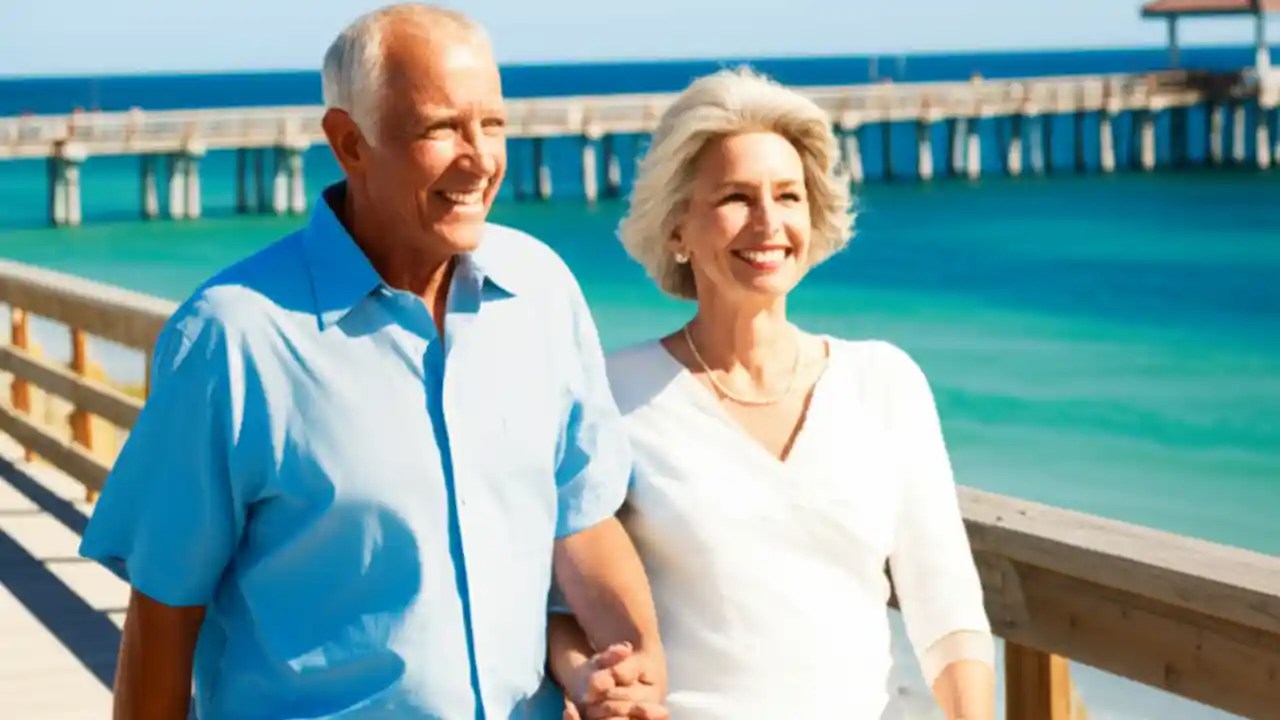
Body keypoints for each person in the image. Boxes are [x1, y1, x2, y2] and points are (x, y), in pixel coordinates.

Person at [78, 4, 666, 718]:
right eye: (440, 128)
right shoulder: (232, 338)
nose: (479, 158)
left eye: (494, 123)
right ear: (349, 142)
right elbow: (164, 615)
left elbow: (582, 517)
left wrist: (633, 668)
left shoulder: (542, 291)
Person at [548, 67, 996, 719]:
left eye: (788, 196)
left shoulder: (883, 383)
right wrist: (590, 678)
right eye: (736, 197)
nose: (768, 223)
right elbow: (555, 610)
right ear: (677, 228)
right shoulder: (614, 394)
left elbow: (947, 605)